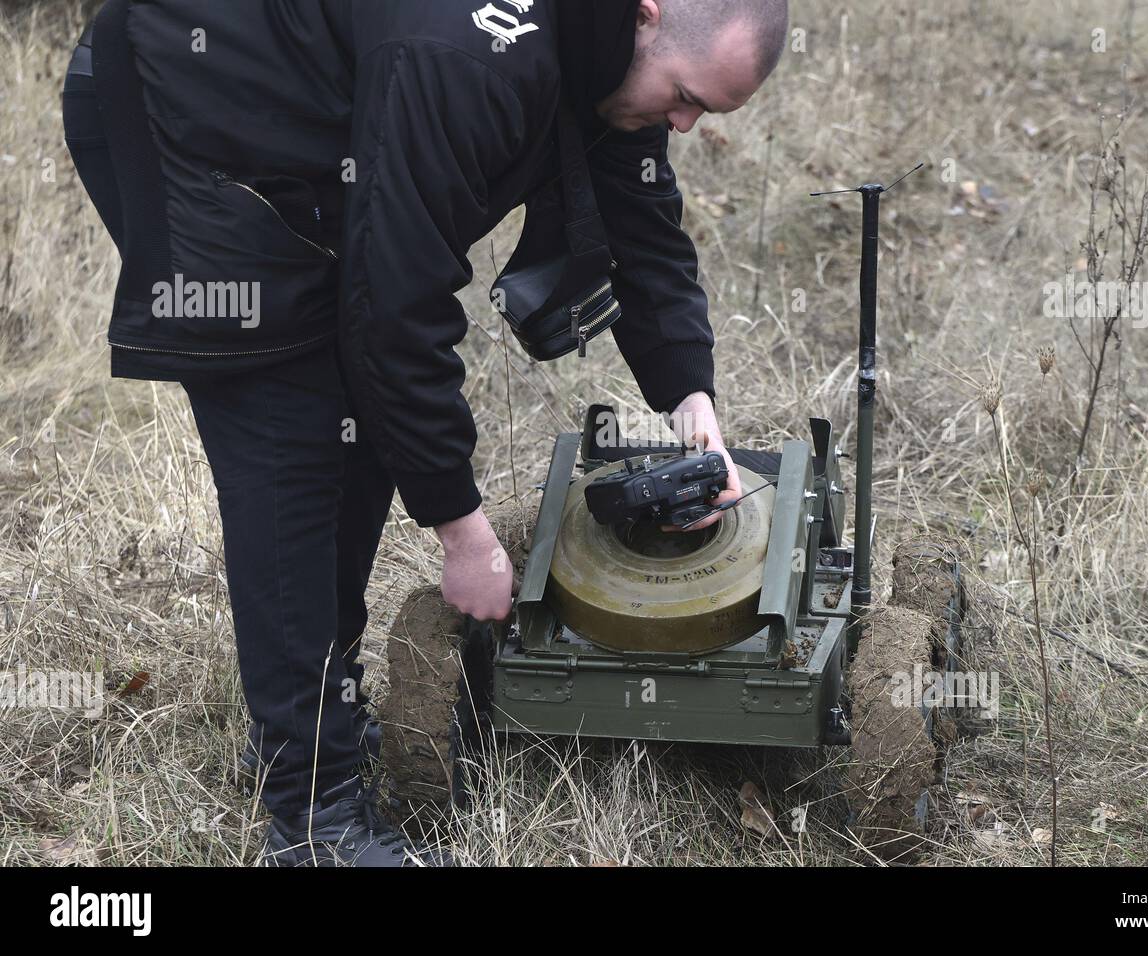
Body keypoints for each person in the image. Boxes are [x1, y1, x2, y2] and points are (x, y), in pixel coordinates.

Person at [63, 0, 789, 865]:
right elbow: (397, 310)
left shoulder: (600, 53)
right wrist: (462, 529)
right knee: (294, 436)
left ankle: (306, 725)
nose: (683, 123)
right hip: (187, 102)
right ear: (645, 18)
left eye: (701, 111)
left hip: (313, 123)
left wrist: (690, 399)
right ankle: (312, 819)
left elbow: (638, 220)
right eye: (685, 97)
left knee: (357, 420)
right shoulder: (469, 62)